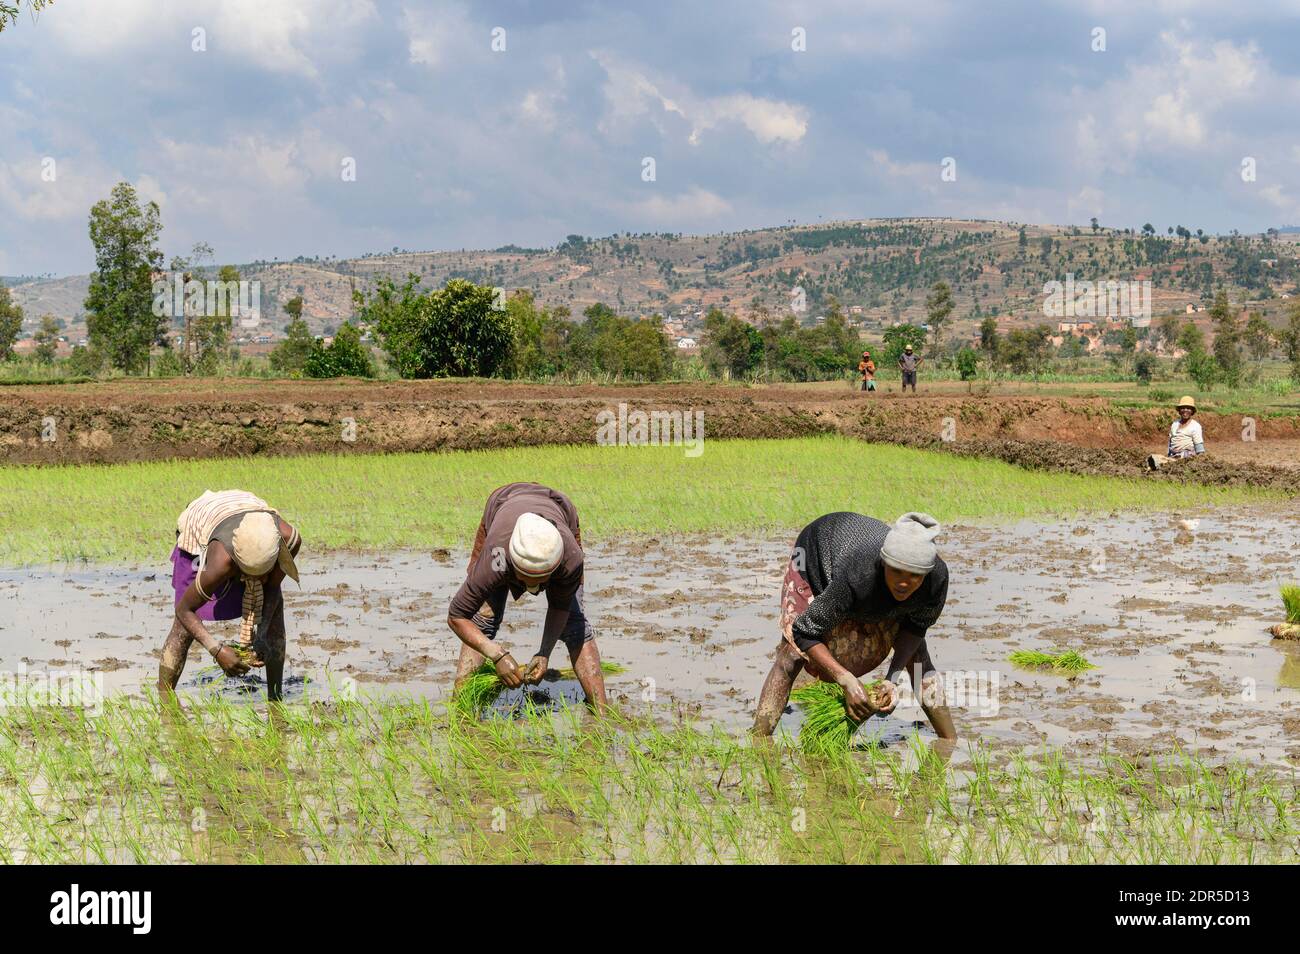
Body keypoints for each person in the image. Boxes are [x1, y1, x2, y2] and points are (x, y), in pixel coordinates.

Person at [753, 512, 957, 746]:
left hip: (864, 581)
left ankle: (949, 741)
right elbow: (804, 632)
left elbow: (916, 628)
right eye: (896, 570)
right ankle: (759, 741)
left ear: (927, 572)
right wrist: (846, 680)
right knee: (792, 655)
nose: (904, 582)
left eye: (914, 575)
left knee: (918, 655)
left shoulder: (936, 580)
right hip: (815, 555)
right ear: (884, 562)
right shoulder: (858, 574)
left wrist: (891, 680)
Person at [448, 481, 608, 712]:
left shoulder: (570, 558)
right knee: (483, 619)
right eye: (525, 578)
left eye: (542, 579)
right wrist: (497, 654)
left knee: (574, 623)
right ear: (512, 565)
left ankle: (602, 712)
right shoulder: (496, 557)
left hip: (558, 508)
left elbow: (560, 607)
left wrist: (544, 653)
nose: (533, 587)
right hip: (503, 504)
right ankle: (460, 710)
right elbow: (457, 615)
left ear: (555, 566)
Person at [159, 489, 301, 702]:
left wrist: (261, 635)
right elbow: (184, 609)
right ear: (236, 566)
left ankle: (275, 699)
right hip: (201, 524)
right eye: (251, 574)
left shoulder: (289, 539)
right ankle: (165, 696)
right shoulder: (220, 562)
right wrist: (216, 650)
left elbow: (272, 588)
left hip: (246, 514)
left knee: (274, 612)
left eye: (264, 573)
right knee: (184, 627)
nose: (260, 580)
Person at [1146, 395, 1205, 470]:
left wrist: (1200, 463)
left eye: (1188, 408)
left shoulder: (1195, 426)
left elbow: (1199, 448)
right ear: (1179, 411)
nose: (1185, 410)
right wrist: (1168, 455)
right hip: (1173, 455)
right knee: (1154, 458)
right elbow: (1170, 442)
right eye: (1183, 408)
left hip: (1187, 457)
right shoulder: (1175, 424)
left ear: (1192, 411)